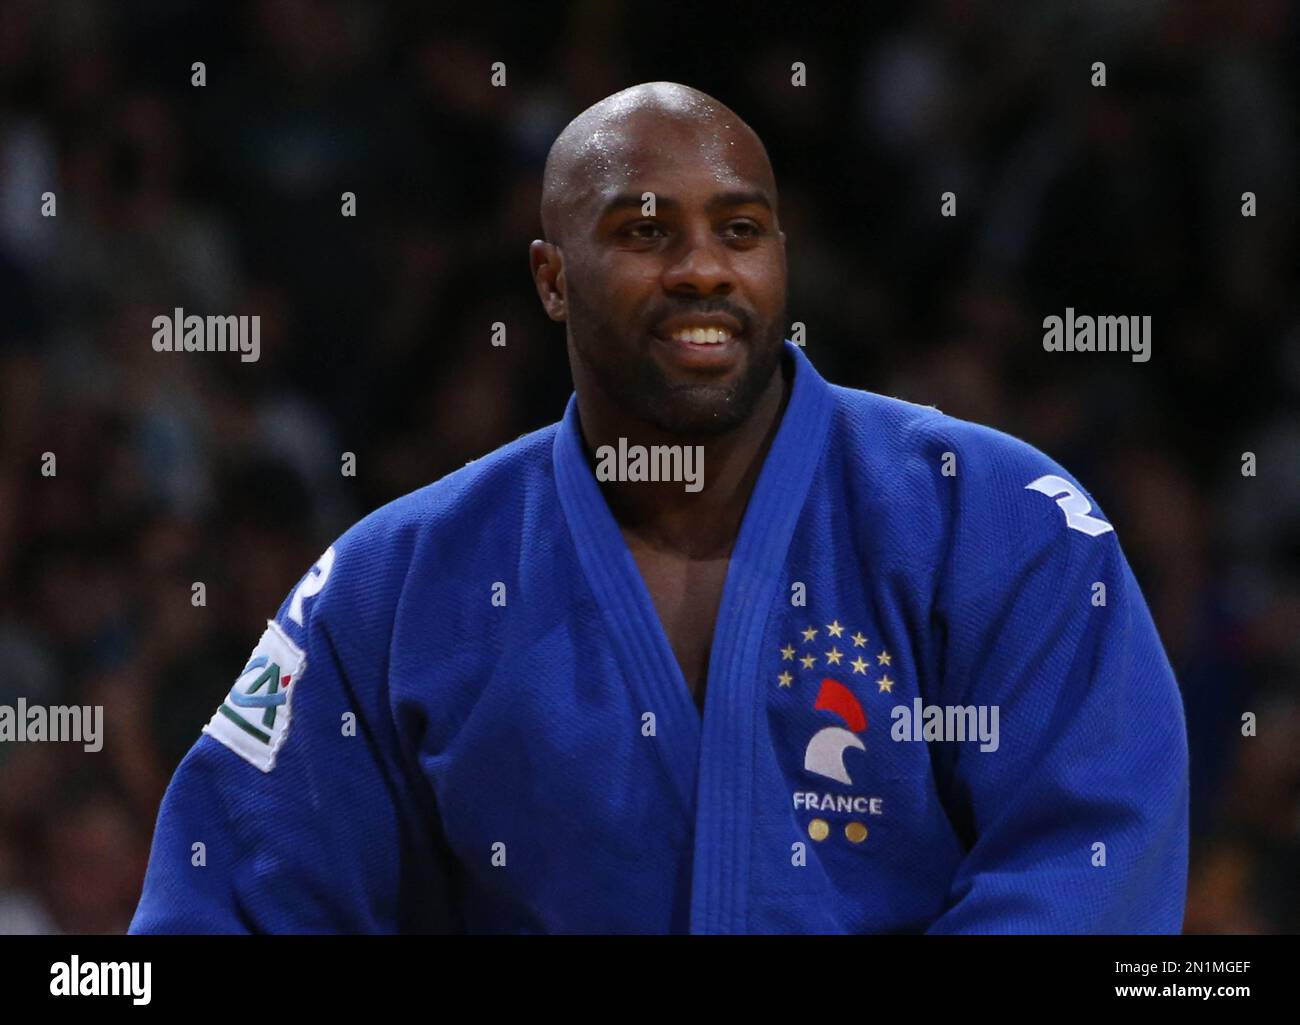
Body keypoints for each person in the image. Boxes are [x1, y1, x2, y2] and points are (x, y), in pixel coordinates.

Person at [130, 82, 1188, 934]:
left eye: (740, 229)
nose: (701, 270)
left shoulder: (994, 518)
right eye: (644, 231)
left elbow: (1087, 865)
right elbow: (228, 895)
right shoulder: (397, 579)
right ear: (550, 277)